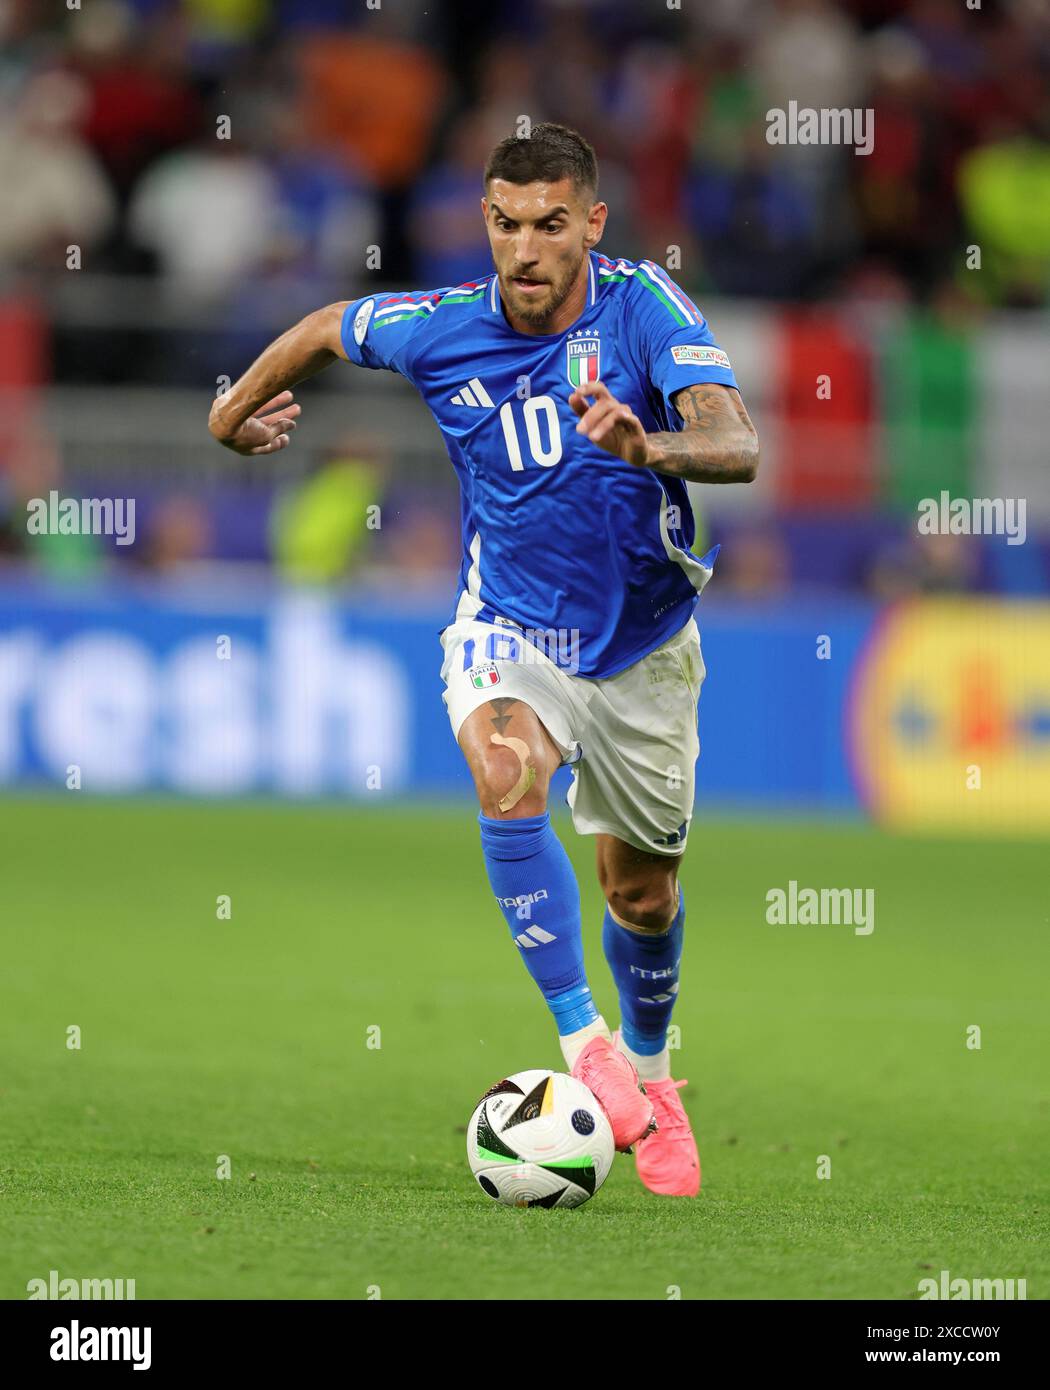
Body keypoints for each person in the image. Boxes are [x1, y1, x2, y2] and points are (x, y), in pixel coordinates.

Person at [208, 123, 759, 1197]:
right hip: (510, 622)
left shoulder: (645, 309)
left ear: (592, 224)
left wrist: (651, 446)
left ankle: (653, 1071)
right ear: (487, 225)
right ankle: (584, 1045)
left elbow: (737, 442)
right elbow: (328, 325)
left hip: (644, 648)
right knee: (506, 773)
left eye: (552, 224)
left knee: (641, 895)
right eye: (506, 225)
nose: (527, 249)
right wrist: (232, 409)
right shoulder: (443, 327)